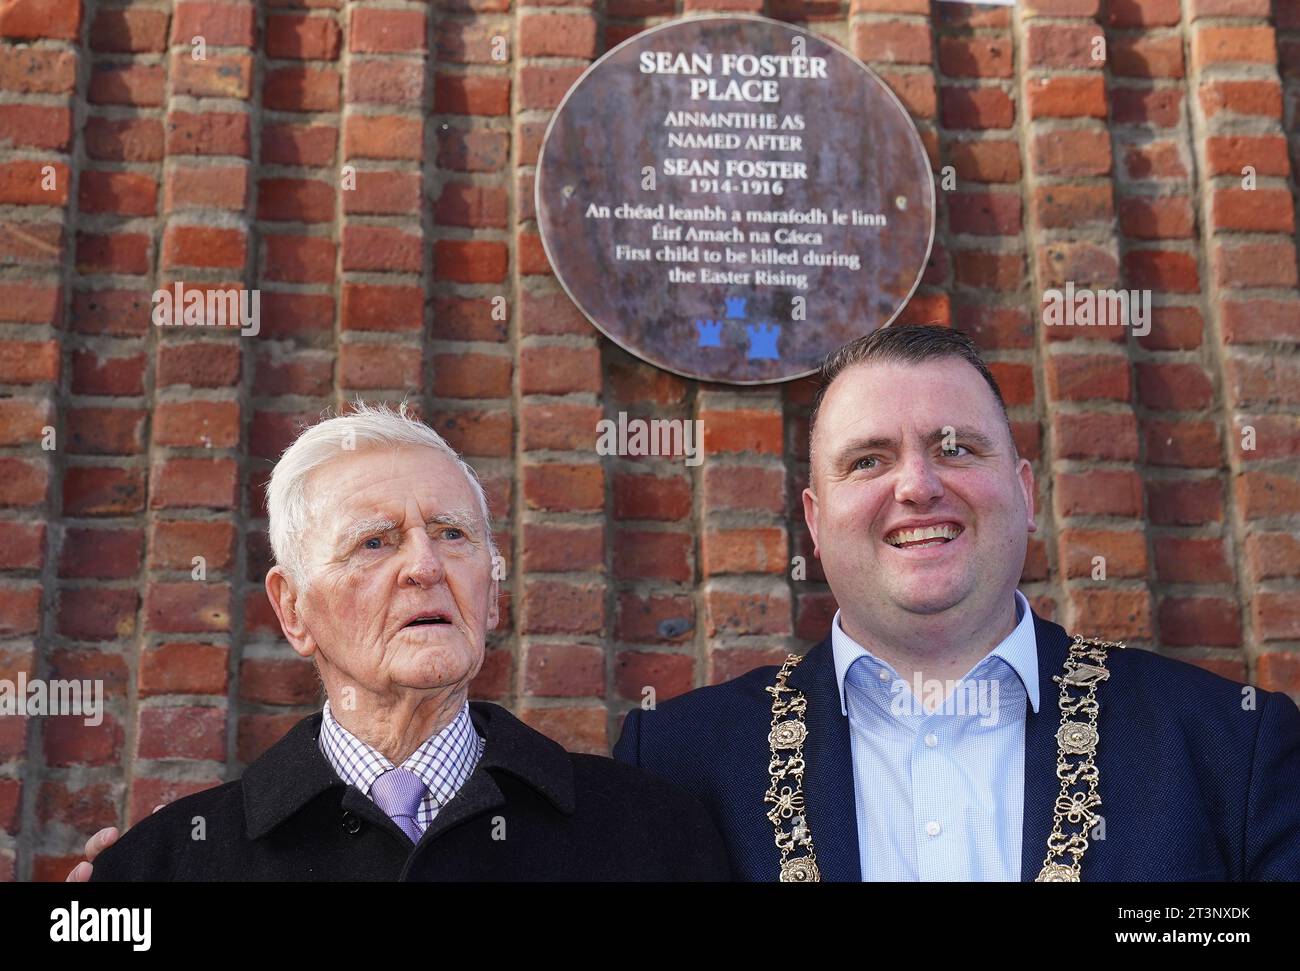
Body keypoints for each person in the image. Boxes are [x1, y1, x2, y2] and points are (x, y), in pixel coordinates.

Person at [614, 324, 1300, 882]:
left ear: (1026, 493)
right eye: (868, 460)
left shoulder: (1231, 747)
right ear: (816, 524)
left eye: (956, 448)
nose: (917, 485)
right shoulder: (679, 764)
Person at [72, 402, 728, 881]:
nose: (425, 566)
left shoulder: (651, 833)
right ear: (292, 608)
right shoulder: (164, 865)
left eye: (451, 534)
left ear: (492, 590)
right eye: (375, 542)